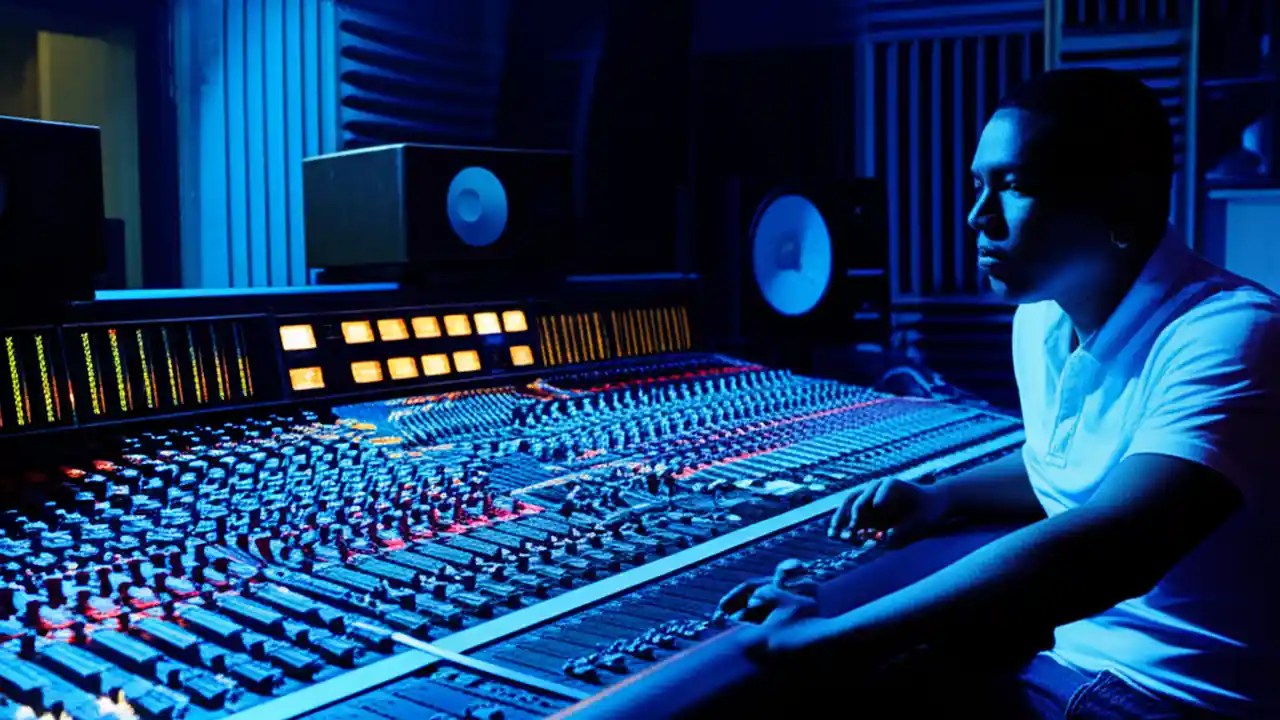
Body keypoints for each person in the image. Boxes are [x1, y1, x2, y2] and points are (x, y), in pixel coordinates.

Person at [717, 67, 1280, 718]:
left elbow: (1115, 545)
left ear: (1125, 205)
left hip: (1171, 701)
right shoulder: (1041, 320)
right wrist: (944, 496)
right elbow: (1067, 461)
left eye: (1015, 185)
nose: (977, 216)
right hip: (1067, 670)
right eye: (978, 186)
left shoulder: (1234, 334)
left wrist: (831, 640)